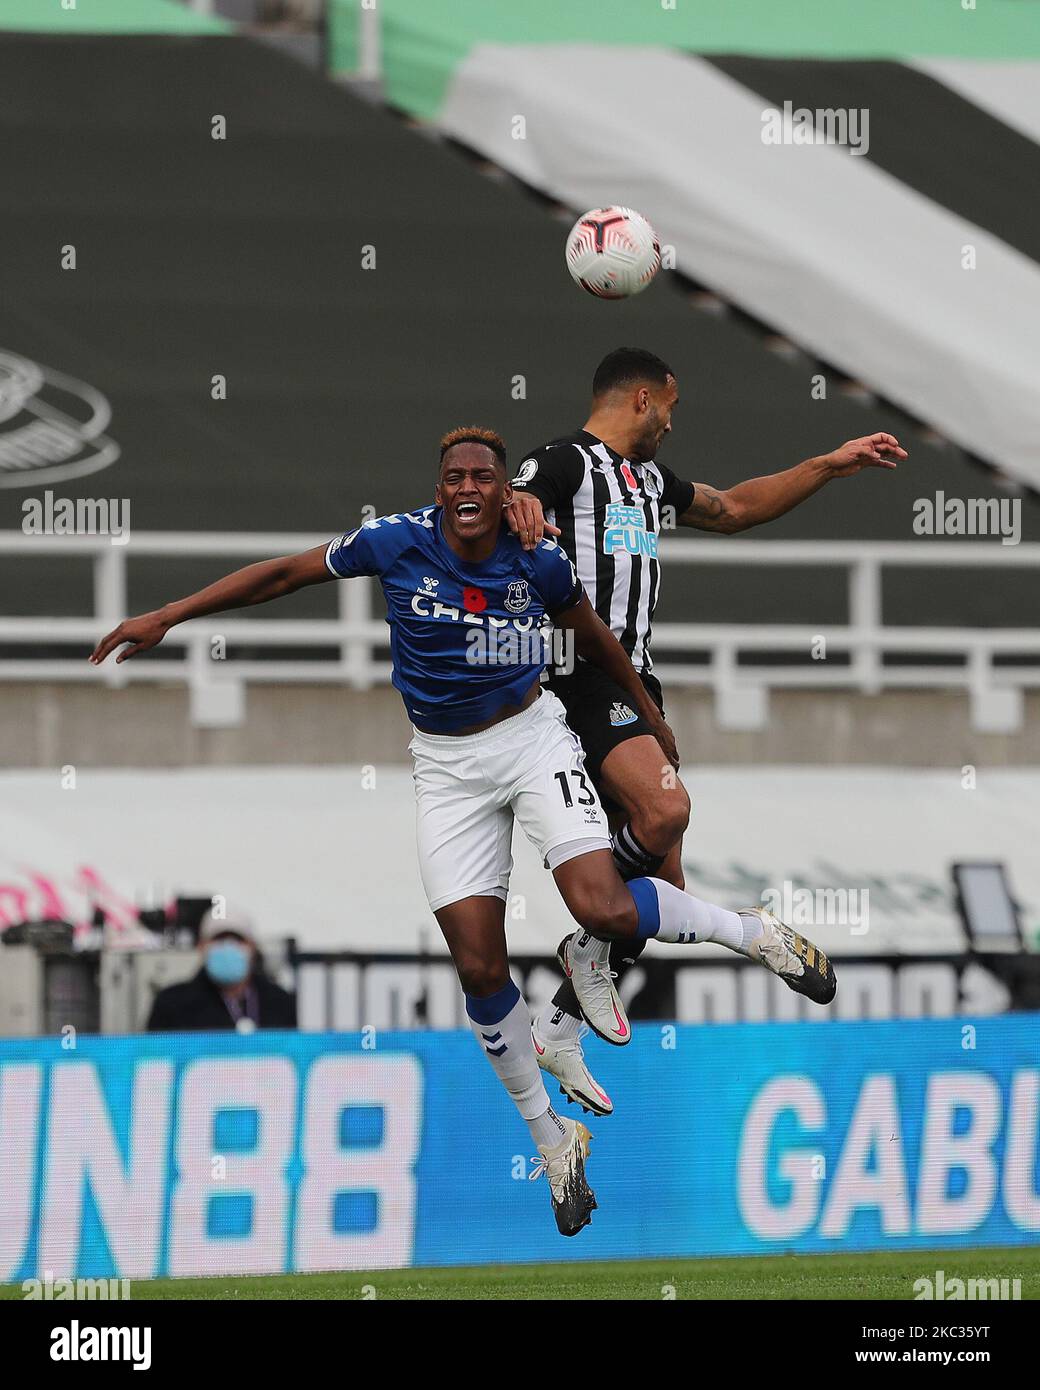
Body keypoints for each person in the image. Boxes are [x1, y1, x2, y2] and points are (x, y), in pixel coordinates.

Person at [92, 425, 834, 1237]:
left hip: (531, 740)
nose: (470, 486)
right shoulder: (396, 542)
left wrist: (650, 715)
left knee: (605, 909)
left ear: (502, 487)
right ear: (441, 488)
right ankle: (554, 1143)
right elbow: (283, 573)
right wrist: (168, 614)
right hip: (446, 771)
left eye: (484, 473)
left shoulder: (536, 554)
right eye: (456, 476)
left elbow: (591, 635)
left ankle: (752, 933)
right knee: (480, 971)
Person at [505, 348, 905, 1116]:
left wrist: (829, 462)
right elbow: (516, 500)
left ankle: (558, 1024)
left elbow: (735, 508)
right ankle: (693, 941)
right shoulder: (562, 461)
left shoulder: (650, 483)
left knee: (661, 893)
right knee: (664, 813)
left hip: (632, 680)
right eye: (671, 409)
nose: (672, 424)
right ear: (645, 400)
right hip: (574, 673)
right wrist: (521, 509)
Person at [146, 904, 296, 1033]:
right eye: (219, 939)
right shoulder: (173, 1004)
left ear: (252, 947)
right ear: (201, 946)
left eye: (238, 940)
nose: (228, 946)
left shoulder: (279, 1002)